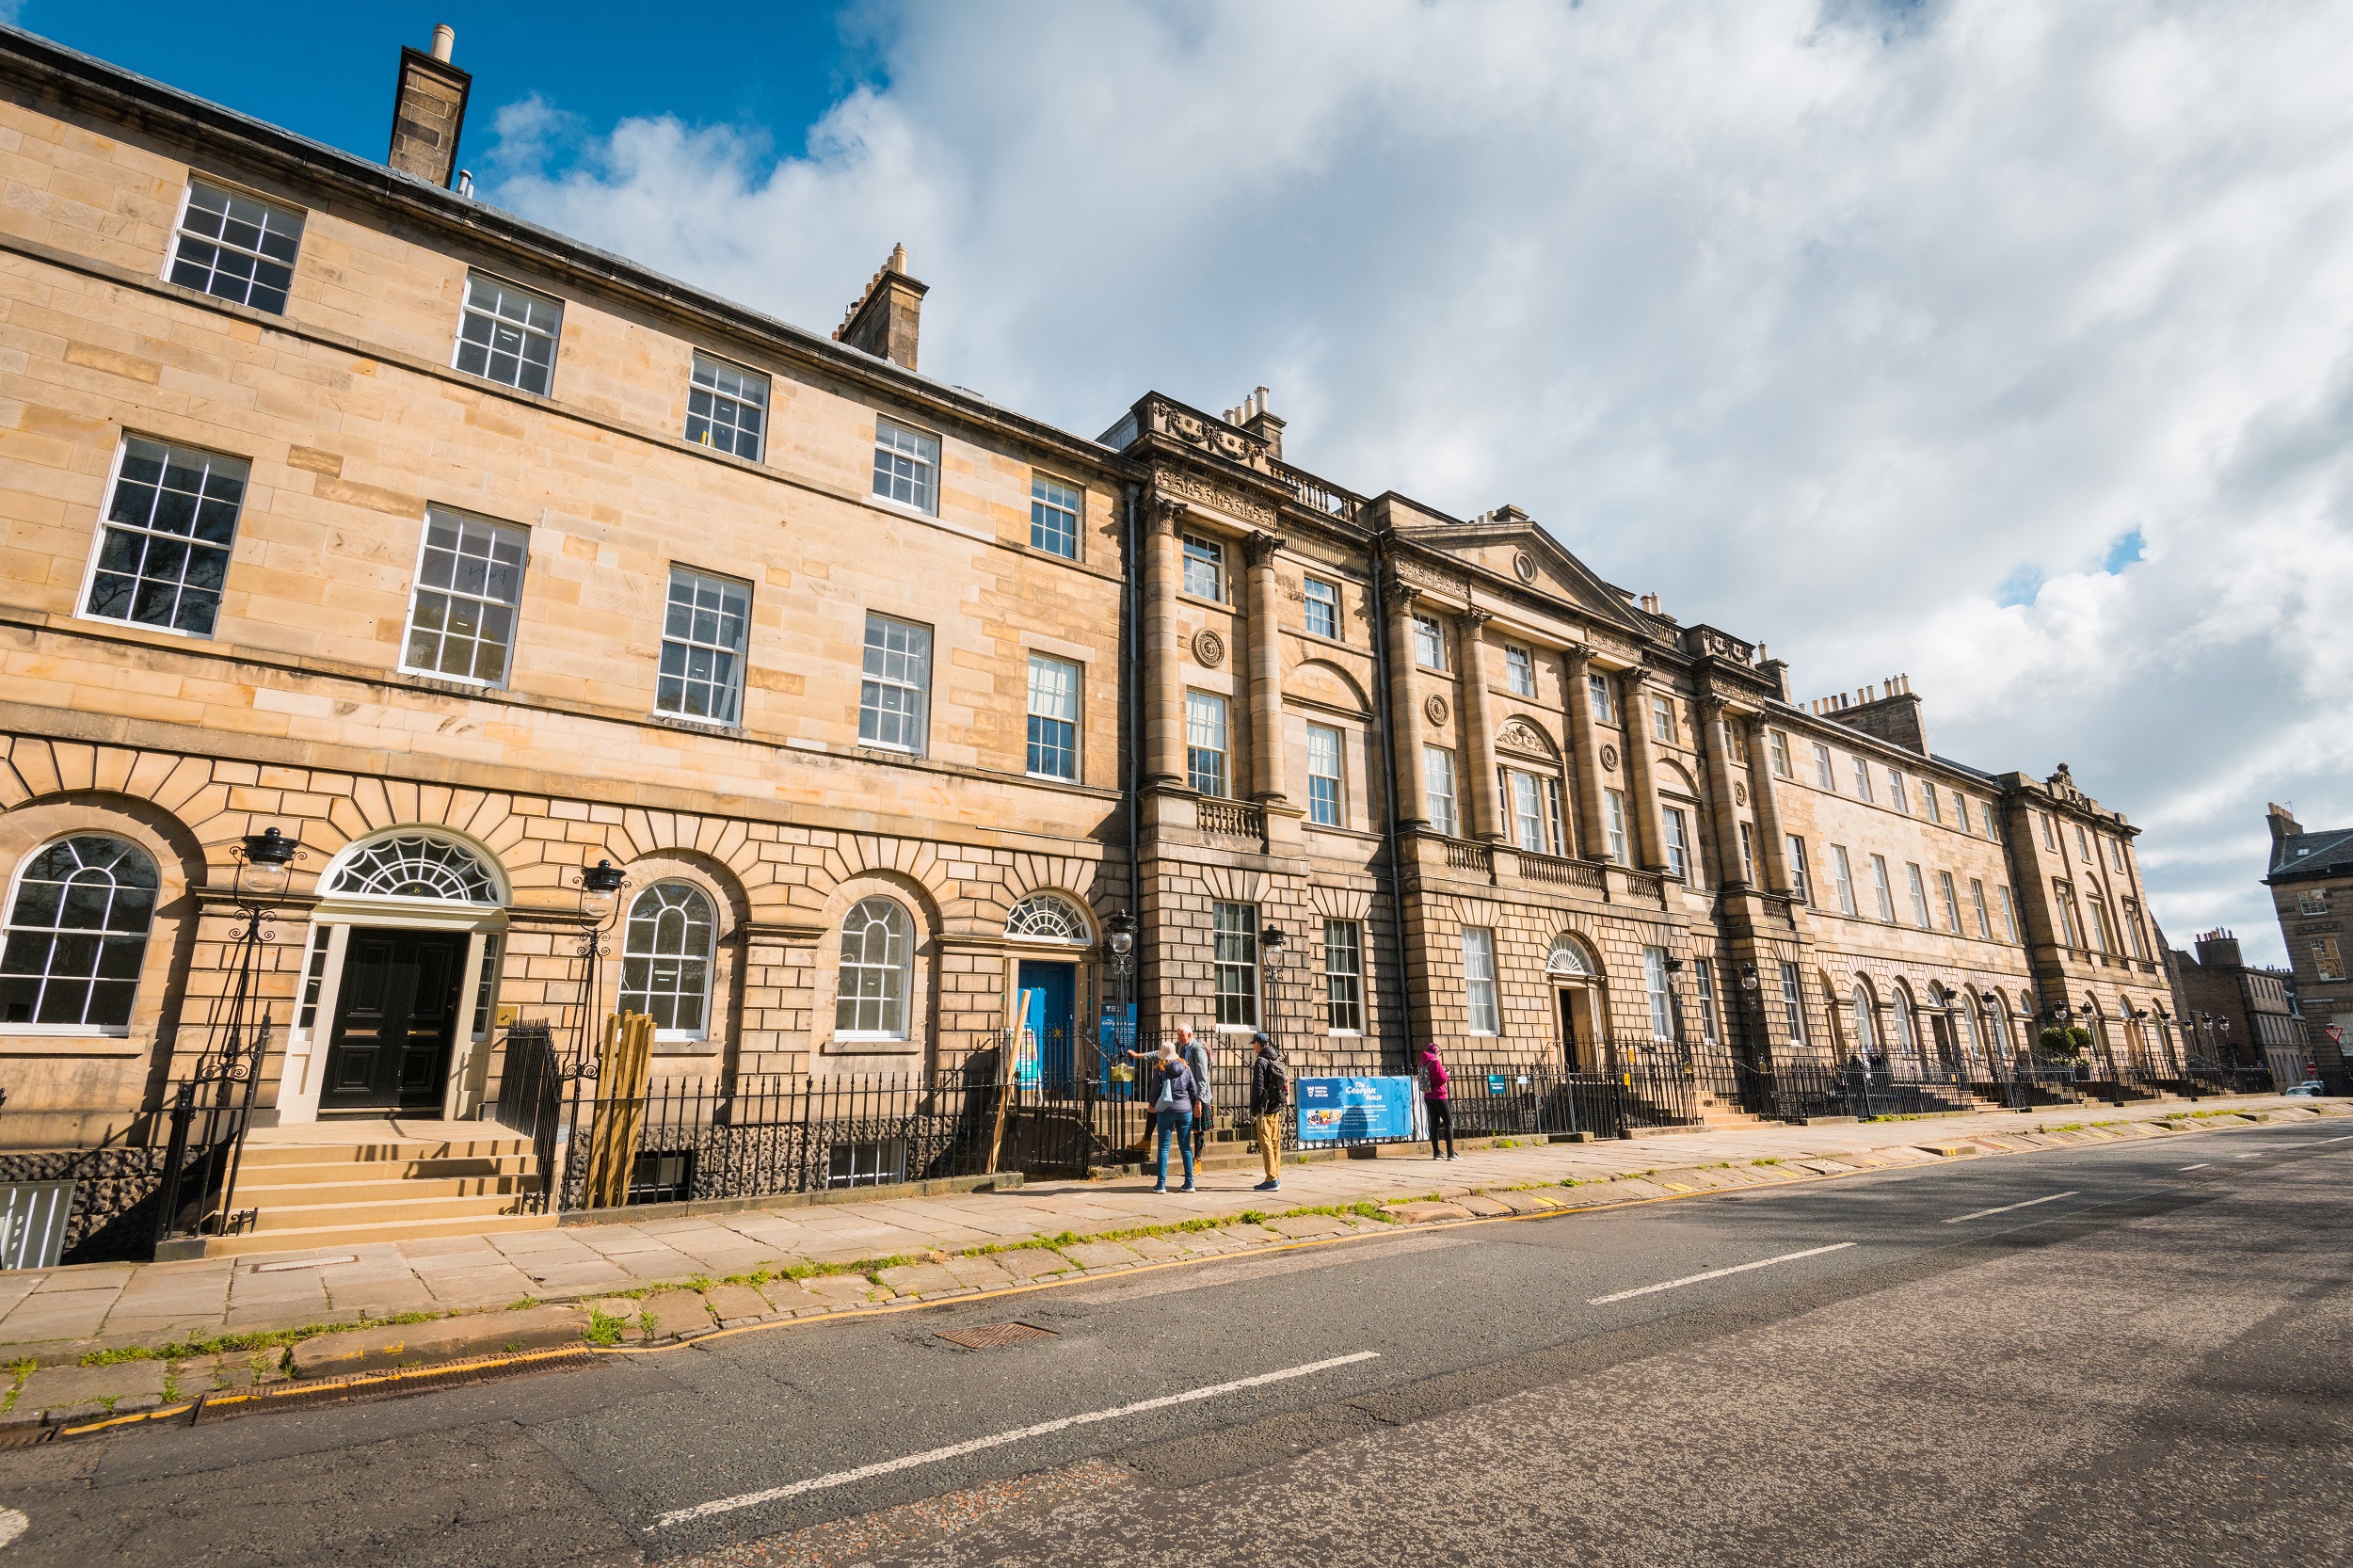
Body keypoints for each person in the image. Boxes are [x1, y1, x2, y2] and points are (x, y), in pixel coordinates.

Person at [1130, 1024, 1214, 1166]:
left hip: (1198, 1093)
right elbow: (1162, 1052)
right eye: (1178, 1035)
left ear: (1190, 1035)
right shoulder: (1179, 1046)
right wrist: (1140, 1056)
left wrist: (1199, 1101)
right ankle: (1146, 1141)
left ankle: (1197, 1161)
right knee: (1153, 1107)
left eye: (1182, 1035)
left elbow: (1202, 1078)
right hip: (1184, 1090)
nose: (1179, 1038)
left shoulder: (1198, 1050)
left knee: (1197, 1128)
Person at [1143, 1041, 1199, 1192]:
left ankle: (1161, 1184)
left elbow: (1154, 1093)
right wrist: (1193, 1105)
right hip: (1185, 1111)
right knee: (1186, 1148)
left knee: (1163, 1147)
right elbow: (1193, 1090)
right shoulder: (1186, 1068)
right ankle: (1189, 1183)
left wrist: (1154, 1105)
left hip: (1166, 1111)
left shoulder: (1160, 1070)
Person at [1248, 1030, 1289, 1192]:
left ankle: (1271, 1179)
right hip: (1276, 1107)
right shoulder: (1276, 1057)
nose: (1253, 1048)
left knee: (1265, 1143)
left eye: (1254, 1045)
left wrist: (1254, 1108)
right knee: (1275, 1142)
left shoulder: (1261, 1061)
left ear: (1258, 1044)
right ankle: (1276, 1175)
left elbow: (1257, 1087)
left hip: (1264, 1109)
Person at [1418, 1040, 1456, 1160]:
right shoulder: (1435, 1062)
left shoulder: (1422, 1063)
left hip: (1428, 1096)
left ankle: (1437, 1152)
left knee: (1434, 1124)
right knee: (1448, 1122)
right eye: (1439, 1053)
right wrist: (1447, 1074)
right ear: (1436, 1051)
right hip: (1439, 1095)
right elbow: (1441, 1079)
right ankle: (1451, 1153)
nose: (1439, 1055)